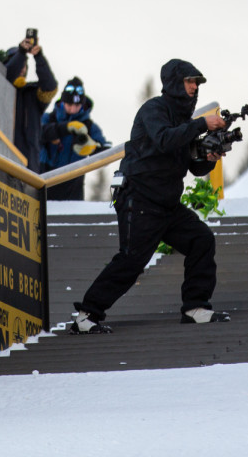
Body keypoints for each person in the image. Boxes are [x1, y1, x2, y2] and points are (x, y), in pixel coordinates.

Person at [71, 59, 230, 333]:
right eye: (190, 81)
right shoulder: (154, 110)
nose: (195, 87)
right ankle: (87, 316)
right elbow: (165, 139)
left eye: (197, 83)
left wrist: (210, 157)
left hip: (167, 204)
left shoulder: (184, 122)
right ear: (174, 83)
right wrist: (202, 123)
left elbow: (194, 165)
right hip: (140, 199)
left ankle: (195, 308)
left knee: (201, 239)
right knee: (132, 260)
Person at [40, 76, 110, 201]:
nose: (73, 109)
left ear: (82, 105)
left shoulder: (89, 126)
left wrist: (93, 147)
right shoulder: (48, 118)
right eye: (69, 104)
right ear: (62, 102)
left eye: (77, 105)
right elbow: (38, 134)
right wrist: (64, 129)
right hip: (44, 179)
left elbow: (107, 153)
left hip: (73, 184)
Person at [4, 35, 58, 171]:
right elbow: (7, 75)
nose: (22, 68)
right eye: (18, 64)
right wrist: (22, 52)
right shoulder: (0, 86)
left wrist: (38, 56)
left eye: (24, 65)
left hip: (29, 166)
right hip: (2, 160)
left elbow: (50, 86)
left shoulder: (32, 93)